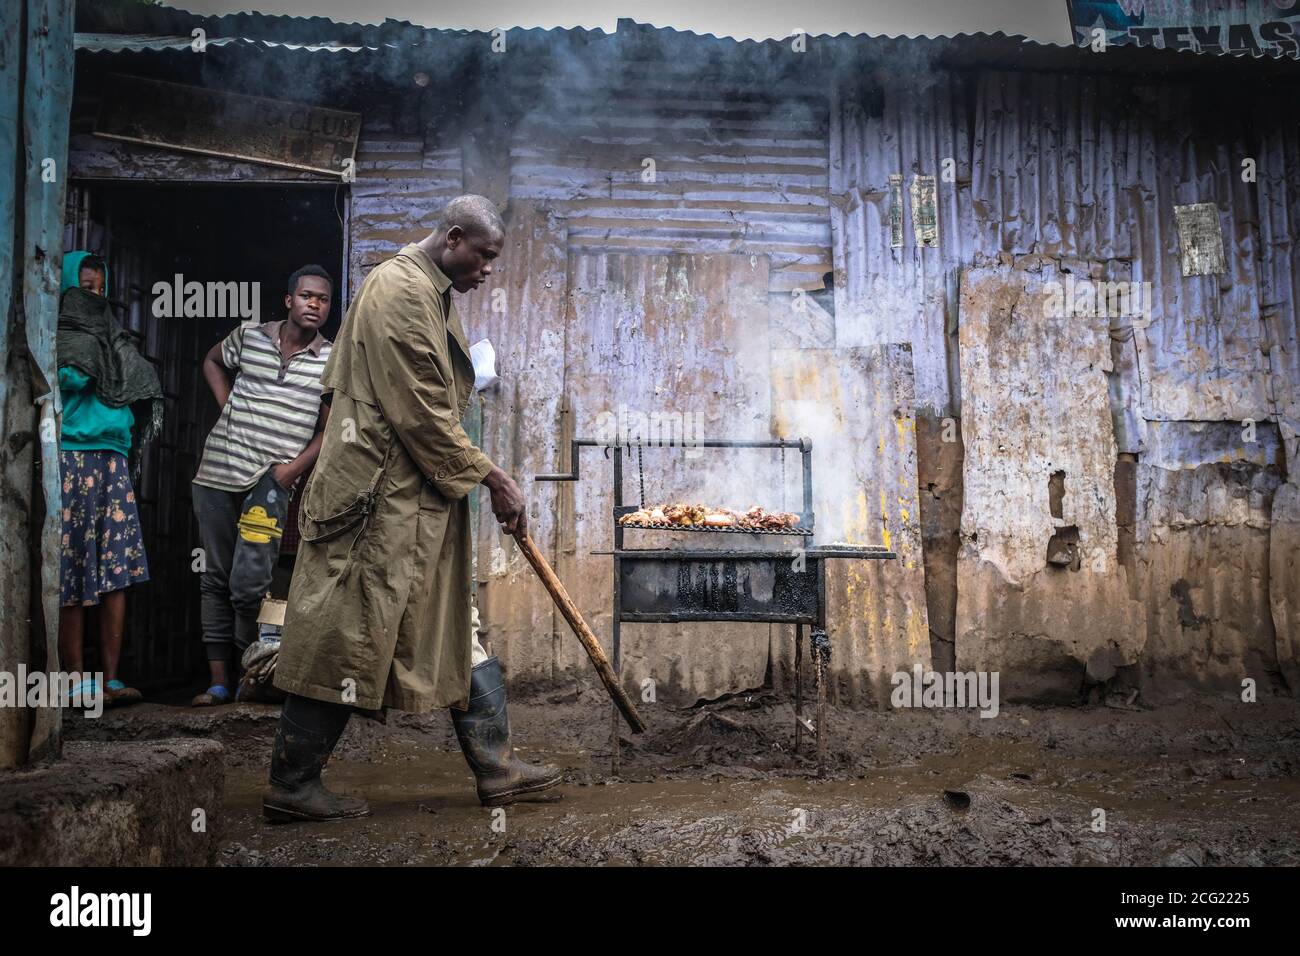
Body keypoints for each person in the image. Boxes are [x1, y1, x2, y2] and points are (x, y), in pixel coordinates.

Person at [264, 195, 562, 822]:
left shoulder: (430, 290)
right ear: (454, 238)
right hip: (371, 507)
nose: (488, 270)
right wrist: (493, 477)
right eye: (483, 256)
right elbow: (422, 410)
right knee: (345, 638)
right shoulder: (400, 291)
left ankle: (498, 769)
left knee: (457, 623)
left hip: (407, 502)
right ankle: (292, 785)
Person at [190, 265, 333, 706]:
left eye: (323, 300)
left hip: (270, 481)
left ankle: (246, 675)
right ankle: (217, 682)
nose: (314, 304)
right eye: (307, 296)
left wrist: (293, 470)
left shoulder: (332, 359)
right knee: (214, 575)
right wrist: (226, 406)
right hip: (216, 472)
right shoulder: (249, 336)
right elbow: (212, 361)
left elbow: (333, 428)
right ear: (288, 300)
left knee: (249, 581)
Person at [56, 251, 163, 706]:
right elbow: (71, 380)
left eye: (100, 288)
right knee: (73, 569)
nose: (93, 295)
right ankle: (76, 679)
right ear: (66, 287)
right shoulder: (61, 335)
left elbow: (140, 383)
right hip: (73, 459)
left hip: (115, 462)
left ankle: (111, 678)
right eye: (84, 286)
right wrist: (90, 352)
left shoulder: (115, 337)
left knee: (115, 571)